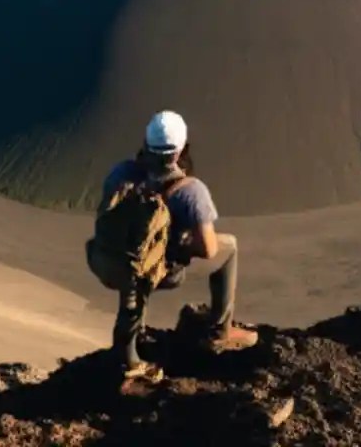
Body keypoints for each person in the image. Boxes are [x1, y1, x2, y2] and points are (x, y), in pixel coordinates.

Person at [89, 110, 259, 381]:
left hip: (104, 262)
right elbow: (209, 250)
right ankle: (219, 331)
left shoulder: (120, 173)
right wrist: (181, 243)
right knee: (229, 248)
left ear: (146, 144)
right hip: (159, 274)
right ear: (180, 151)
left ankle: (134, 337)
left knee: (132, 256)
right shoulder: (190, 191)